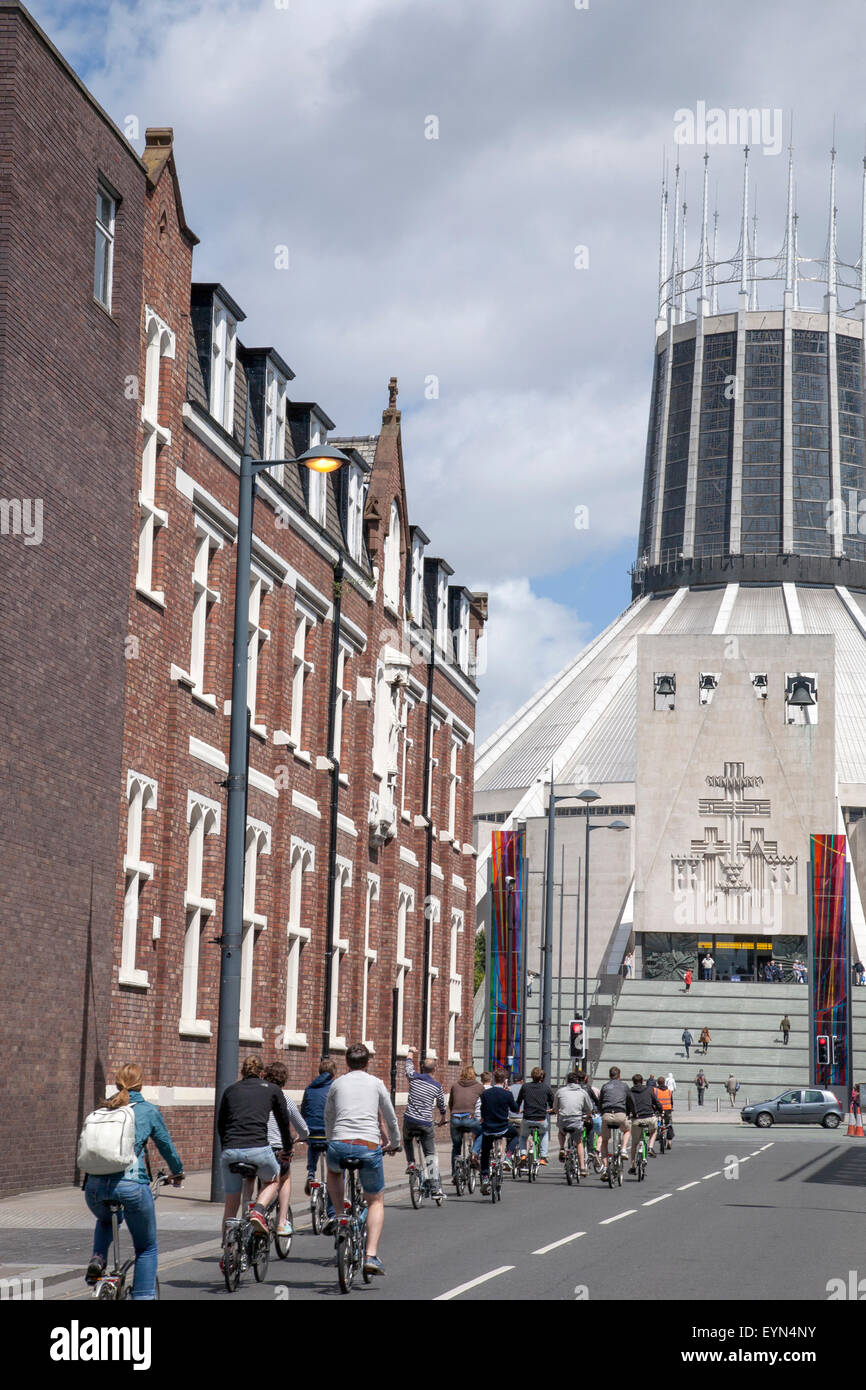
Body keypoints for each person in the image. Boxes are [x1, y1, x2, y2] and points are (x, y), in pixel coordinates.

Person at [83, 1062, 184, 1300]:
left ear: (117, 1083)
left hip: (94, 1187)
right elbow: (166, 1146)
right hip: (131, 1185)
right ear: (141, 1083)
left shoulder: (105, 1107)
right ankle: (144, 1296)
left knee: (107, 1220)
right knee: (146, 1247)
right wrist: (177, 1172)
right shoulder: (147, 1110)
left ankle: (98, 1257)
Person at [324, 1043, 400, 1278]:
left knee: (334, 1172)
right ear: (367, 1063)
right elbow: (390, 1116)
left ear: (347, 1063)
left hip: (339, 1144)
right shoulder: (376, 1083)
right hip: (368, 1146)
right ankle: (371, 1256)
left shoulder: (337, 1083)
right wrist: (395, 1142)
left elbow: (329, 1115)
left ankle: (339, 1215)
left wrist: (331, 1140)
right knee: (375, 1200)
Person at [218, 1055, 296, 1241]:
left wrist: (226, 1149)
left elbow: (221, 1124)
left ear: (242, 1072)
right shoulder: (272, 1090)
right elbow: (283, 1122)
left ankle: (228, 1252)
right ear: (262, 1073)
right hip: (258, 1150)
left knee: (231, 1205)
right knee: (274, 1180)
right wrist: (287, 1148)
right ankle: (258, 1210)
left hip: (230, 1152)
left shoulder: (230, 1090)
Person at [263, 1060, 309, 1238]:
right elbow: (303, 1128)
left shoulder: (259, 1096)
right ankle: (282, 1221)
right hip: (276, 1149)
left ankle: (248, 1211)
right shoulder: (285, 1099)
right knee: (285, 1177)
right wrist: (302, 1137)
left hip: (256, 1145)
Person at [403, 1046, 447, 1198]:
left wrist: (410, 1051)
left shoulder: (414, 1078)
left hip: (410, 1120)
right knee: (430, 1154)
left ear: (422, 1067)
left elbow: (408, 1066)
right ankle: (435, 1189)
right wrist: (442, 1118)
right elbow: (442, 1105)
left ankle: (411, 1163)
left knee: (407, 1139)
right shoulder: (436, 1086)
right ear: (434, 1070)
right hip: (426, 1123)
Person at [301, 1057, 337, 1222]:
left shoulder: (309, 1088)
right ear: (333, 1074)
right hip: (329, 1134)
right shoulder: (334, 1089)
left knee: (313, 1146)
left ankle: (310, 1173)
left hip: (312, 1132)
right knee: (335, 1170)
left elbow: (303, 1111)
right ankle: (333, 1208)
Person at [479, 1069, 520, 1194]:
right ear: (505, 1080)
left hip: (488, 1129)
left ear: (494, 1079)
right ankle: (507, 1157)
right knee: (516, 1135)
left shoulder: (485, 1094)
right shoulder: (507, 1094)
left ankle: (485, 1177)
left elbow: (482, 1110)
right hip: (503, 1128)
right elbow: (515, 1109)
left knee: (485, 1152)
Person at [448, 1064, 484, 1183]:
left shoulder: (455, 1085)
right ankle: (474, 1153)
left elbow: (451, 1103)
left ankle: (455, 1174)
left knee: (456, 1146)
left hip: (455, 1119)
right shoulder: (479, 1086)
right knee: (481, 1132)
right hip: (470, 1118)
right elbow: (485, 1103)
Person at [554, 1071, 595, 1173]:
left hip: (564, 1120)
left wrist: (558, 1114)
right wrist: (588, 1117)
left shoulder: (560, 1091)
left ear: (567, 1081)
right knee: (579, 1142)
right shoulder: (582, 1092)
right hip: (577, 1120)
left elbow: (555, 1107)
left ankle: (562, 1148)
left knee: (561, 1132)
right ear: (577, 1081)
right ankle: (582, 1167)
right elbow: (589, 1108)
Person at [514, 1066, 555, 1166]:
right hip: (541, 1118)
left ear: (531, 1076)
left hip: (527, 1117)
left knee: (523, 1136)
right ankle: (543, 1157)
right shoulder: (546, 1088)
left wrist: (517, 1110)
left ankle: (523, 1154)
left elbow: (518, 1101)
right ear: (542, 1077)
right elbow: (552, 1102)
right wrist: (552, 1110)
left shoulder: (525, 1087)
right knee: (544, 1134)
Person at [598, 1066, 635, 1169]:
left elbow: (600, 1102)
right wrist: (631, 1112)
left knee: (604, 1141)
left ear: (610, 1075)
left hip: (607, 1114)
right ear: (619, 1075)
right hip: (620, 1113)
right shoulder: (624, 1086)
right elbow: (630, 1101)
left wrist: (602, 1112)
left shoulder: (605, 1086)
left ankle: (605, 1168)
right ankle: (623, 1149)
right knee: (627, 1131)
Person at [627, 1074, 663, 1174]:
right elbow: (656, 1102)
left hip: (637, 1119)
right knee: (654, 1130)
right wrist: (660, 1110)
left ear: (633, 1082)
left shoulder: (630, 1091)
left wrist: (628, 1113)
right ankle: (650, 1147)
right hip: (649, 1118)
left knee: (634, 1143)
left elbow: (628, 1105)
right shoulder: (649, 1090)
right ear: (642, 1081)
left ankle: (632, 1165)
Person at [650, 1076, 674, 1152]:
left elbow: (652, 1100)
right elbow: (671, 1102)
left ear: (658, 1083)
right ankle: (669, 1141)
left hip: (657, 1110)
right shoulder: (669, 1091)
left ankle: (656, 1135)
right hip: (667, 1110)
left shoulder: (655, 1090)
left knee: (656, 1123)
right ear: (664, 1082)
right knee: (668, 1124)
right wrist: (671, 1107)